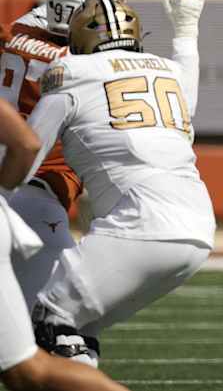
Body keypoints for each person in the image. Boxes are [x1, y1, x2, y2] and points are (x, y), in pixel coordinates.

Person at [25, 0, 213, 367]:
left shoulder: (70, 73)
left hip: (140, 225)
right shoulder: (167, 70)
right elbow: (188, 106)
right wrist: (186, 31)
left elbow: (27, 152)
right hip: (198, 229)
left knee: (46, 323)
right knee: (75, 327)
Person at [3, 0, 116, 316]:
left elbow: (45, 20)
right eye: (102, 11)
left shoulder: (17, 32)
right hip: (36, 189)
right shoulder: (79, 65)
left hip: (9, 178)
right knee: (62, 324)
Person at [0, 99, 131, 391]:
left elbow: (26, 143)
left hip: (34, 197)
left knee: (34, 366)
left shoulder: (66, 72)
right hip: (37, 198)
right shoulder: (70, 68)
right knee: (42, 358)